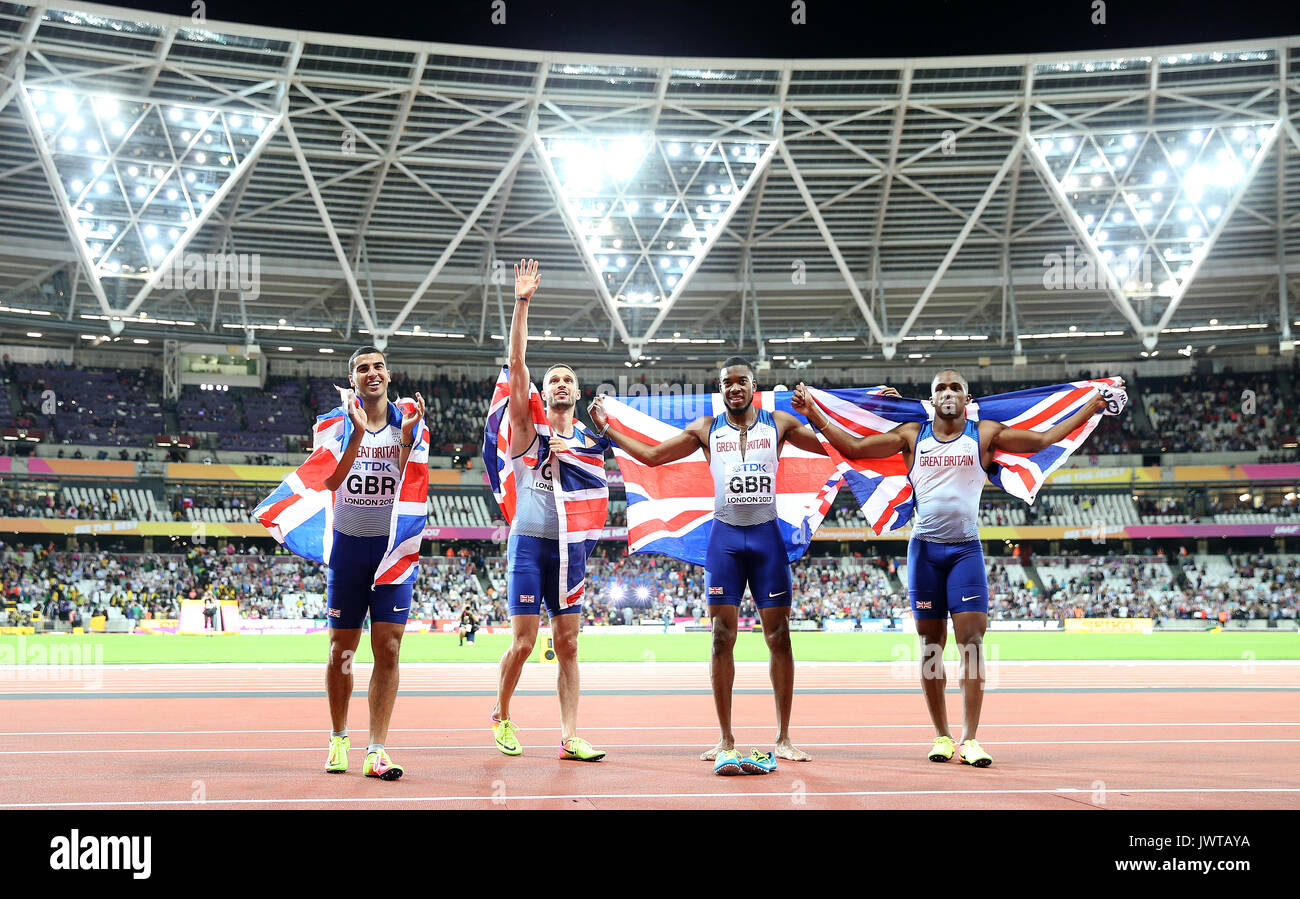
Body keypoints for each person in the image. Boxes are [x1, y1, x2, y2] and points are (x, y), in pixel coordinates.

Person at [793, 370, 1122, 768]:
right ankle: (942, 736)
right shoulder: (912, 435)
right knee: (931, 649)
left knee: (973, 646)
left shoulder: (984, 434)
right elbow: (857, 448)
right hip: (925, 553)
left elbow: (1043, 440)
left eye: (955, 388)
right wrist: (815, 412)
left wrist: (1092, 406)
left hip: (966, 551)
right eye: (940, 389)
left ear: (968, 398)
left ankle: (971, 738)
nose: (948, 394)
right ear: (932, 399)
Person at [590, 356, 829, 775]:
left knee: (780, 636)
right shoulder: (706, 429)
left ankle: (784, 737)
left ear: (754, 385)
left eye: (741, 382)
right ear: (721, 389)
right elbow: (651, 456)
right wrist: (608, 430)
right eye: (727, 383)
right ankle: (725, 738)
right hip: (726, 540)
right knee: (721, 635)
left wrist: (870, 411)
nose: (734, 388)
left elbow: (834, 445)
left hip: (766, 538)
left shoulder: (780, 424)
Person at [491, 258, 606, 763]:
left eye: (568, 380)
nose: (560, 384)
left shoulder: (589, 444)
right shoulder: (525, 430)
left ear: (578, 393)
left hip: (570, 550)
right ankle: (501, 713)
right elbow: (518, 365)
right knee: (523, 642)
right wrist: (522, 303)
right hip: (529, 543)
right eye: (553, 378)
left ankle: (569, 736)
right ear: (543, 390)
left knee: (569, 645)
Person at [320, 346, 426, 781]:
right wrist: (359, 435)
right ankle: (339, 736)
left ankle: (377, 748)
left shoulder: (409, 422)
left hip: (392, 550)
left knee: (389, 647)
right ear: (353, 380)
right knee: (342, 651)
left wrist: (406, 436)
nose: (372, 373)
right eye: (362, 368)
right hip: (348, 548)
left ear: (389, 373)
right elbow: (328, 480)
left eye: (378, 366)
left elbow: (405, 479)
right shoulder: (334, 422)